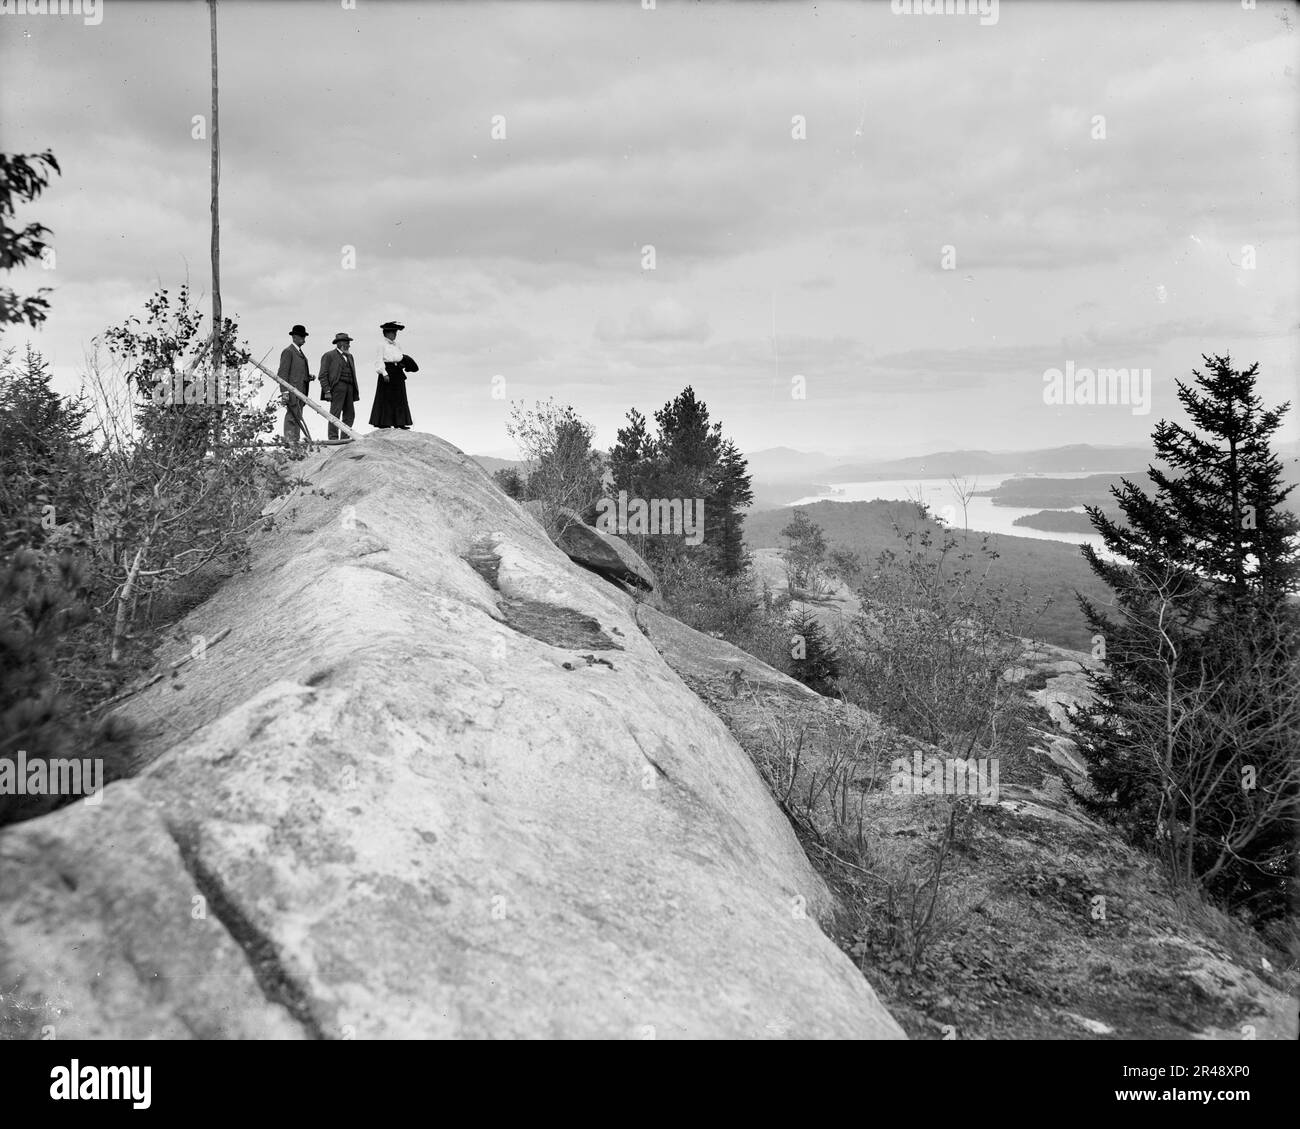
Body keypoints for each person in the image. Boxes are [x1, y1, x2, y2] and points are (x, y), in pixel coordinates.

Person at [368, 320, 418, 429]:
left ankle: (399, 422)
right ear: (387, 333)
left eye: (395, 332)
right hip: (387, 370)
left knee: (400, 397)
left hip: (397, 371)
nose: (395, 334)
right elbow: (378, 360)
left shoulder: (397, 344)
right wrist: (384, 373)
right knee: (386, 397)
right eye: (393, 332)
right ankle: (384, 422)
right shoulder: (381, 345)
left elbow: (400, 356)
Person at [277, 324, 314, 445]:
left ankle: (295, 442)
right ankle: (289, 442)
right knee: (291, 416)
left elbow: (298, 372)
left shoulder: (300, 353)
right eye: (301, 336)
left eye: (304, 336)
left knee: (298, 416)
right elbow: (282, 373)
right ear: (294, 337)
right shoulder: (288, 352)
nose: (303, 339)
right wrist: (285, 392)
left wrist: (308, 377)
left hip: (301, 390)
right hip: (292, 390)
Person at [318, 332, 359, 440]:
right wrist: (327, 390)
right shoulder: (329, 355)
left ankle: (345, 437)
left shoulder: (350, 357)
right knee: (334, 414)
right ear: (340, 343)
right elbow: (322, 375)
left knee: (350, 414)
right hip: (337, 388)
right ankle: (333, 438)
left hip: (349, 388)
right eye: (347, 342)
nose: (349, 345)